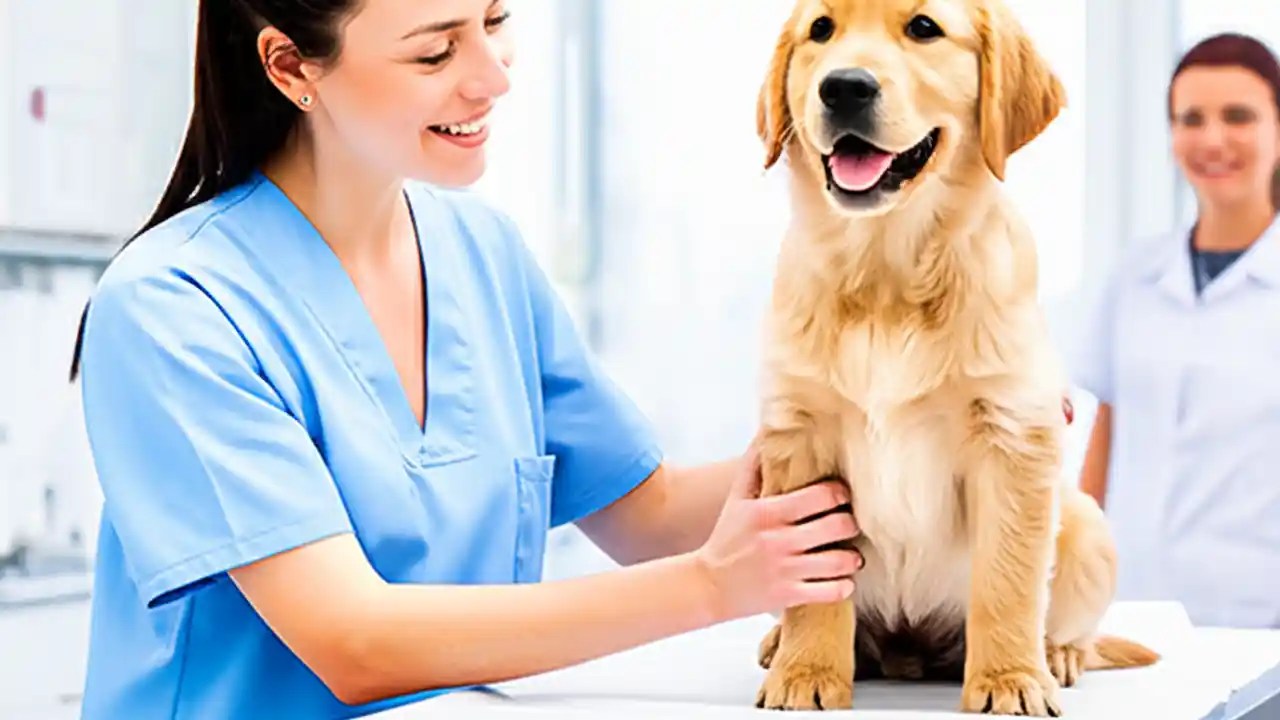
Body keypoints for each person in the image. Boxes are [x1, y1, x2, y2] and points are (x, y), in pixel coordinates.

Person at [69, 1, 863, 717]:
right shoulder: (173, 307)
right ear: (289, 66)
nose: (491, 77)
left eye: (494, 21)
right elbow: (355, 644)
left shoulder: (483, 254)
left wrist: (873, 434)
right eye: (434, 53)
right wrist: (710, 588)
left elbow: (652, 515)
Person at [1069, 32, 1280, 630]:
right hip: (1134, 613)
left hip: (1260, 626)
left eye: (1238, 116)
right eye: (1192, 119)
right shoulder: (1134, 277)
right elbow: (1105, 439)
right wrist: (1079, 578)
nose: (1212, 139)